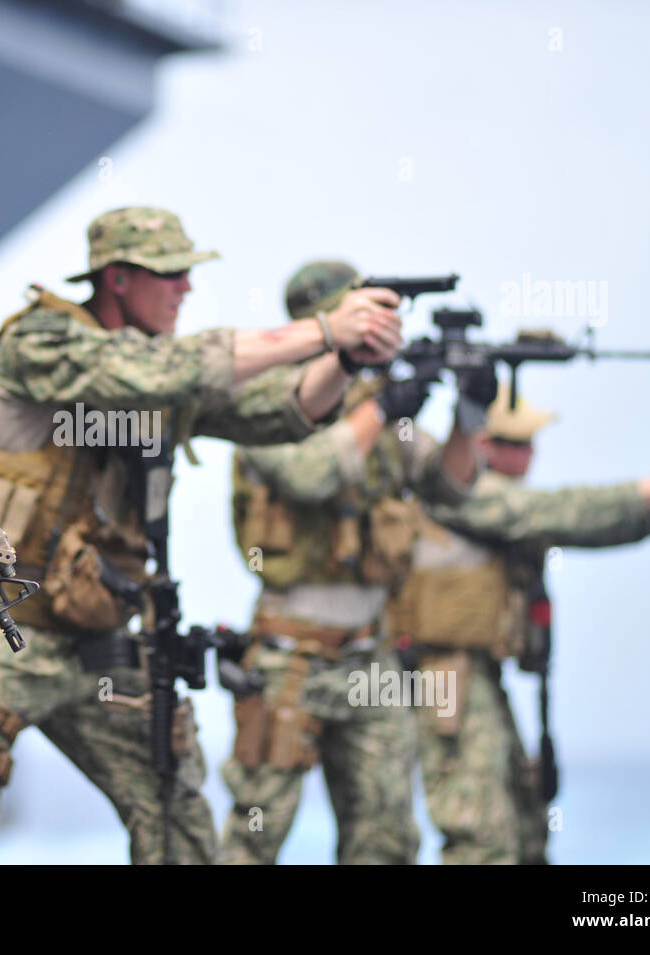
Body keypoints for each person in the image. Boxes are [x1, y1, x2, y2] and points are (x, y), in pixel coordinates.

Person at [0, 216, 406, 865]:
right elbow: (145, 370)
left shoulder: (159, 374)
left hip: (97, 640)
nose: (186, 287)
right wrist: (327, 328)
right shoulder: (43, 341)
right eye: (171, 272)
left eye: (189, 272)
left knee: (176, 814)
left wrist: (346, 360)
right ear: (119, 278)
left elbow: (282, 411)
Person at [216, 259, 492, 865]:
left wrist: (470, 416)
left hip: (371, 654)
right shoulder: (270, 402)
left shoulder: (379, 409)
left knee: (387, 837)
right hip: (291, 655)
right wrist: (387, 404)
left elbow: (451, 489)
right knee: (255, 836)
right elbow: (310, 474)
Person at [386, 392, 650, 863]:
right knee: (480, 835)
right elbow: (562, 512)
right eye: (514, 444)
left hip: (475, 678)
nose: (527, 457)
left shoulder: (490, 503)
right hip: (446, 681)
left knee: (525, 832)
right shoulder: (463, 495)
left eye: (529, 445)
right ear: (482, 443)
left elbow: (578, 523)